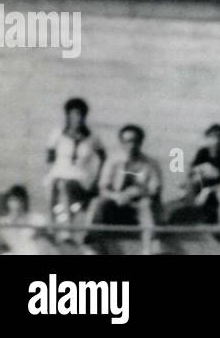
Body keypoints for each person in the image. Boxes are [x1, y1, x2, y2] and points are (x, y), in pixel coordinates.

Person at [87, 124, 163, 255]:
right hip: (115, 204)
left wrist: (134, 192)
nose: (132, 145)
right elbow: (103, 187)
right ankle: (92, 244)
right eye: (127, 141)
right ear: (121, 143)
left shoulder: (151, 163)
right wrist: (116, 196)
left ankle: (148, 249)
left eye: (135, 141)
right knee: (97, 203)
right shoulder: (112, 162)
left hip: (138, 205)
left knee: (147, 205)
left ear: (141, 142)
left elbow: (155, 189)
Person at [44, 96, 106, 243]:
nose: (77, 119)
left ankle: (66, 231)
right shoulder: (58, 134)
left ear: (85, 116)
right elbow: (50, 157)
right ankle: (51, 229)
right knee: (52, 184)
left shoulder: (92, 138)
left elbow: (104, 158)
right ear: (68, 116)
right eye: (73, 115)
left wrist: (97, 180)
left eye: (80, 115)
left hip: (81, 178)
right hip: (58, 174)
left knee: (63, 185)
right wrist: (50, 173)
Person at [0, 186, 50, 255]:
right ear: (7, 203)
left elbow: (44, 242)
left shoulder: (37, 219)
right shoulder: (3, 223)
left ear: (24, 202)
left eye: (20, 200)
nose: (17, 204)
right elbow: (1, 246)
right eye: (13, 200)